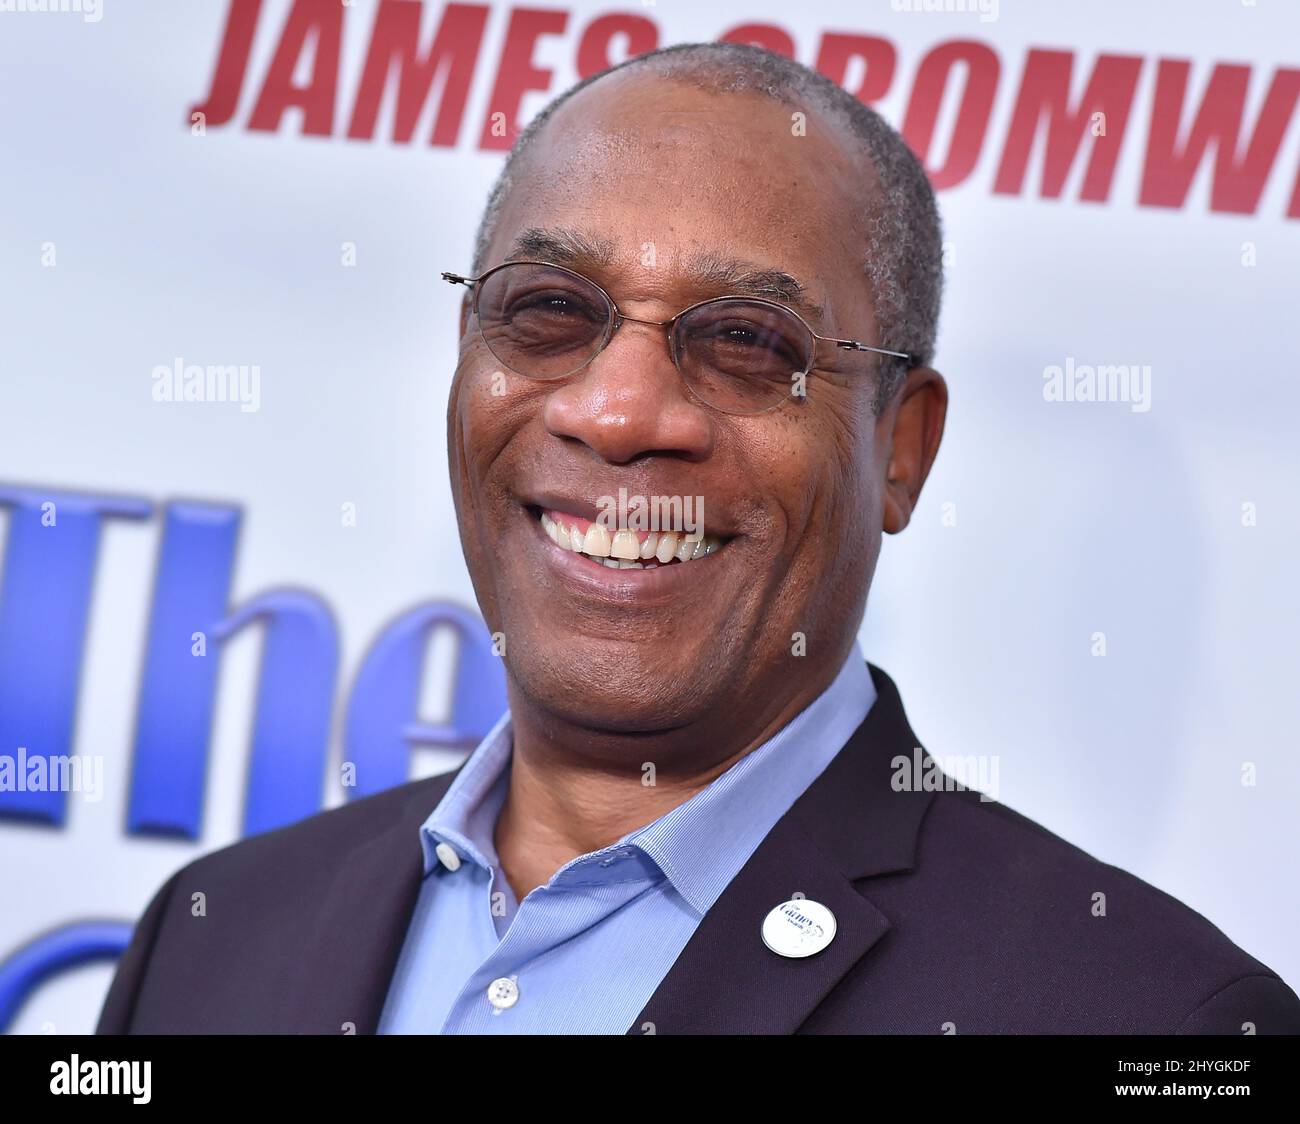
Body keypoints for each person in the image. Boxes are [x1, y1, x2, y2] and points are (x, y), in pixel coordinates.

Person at [97, 41, 1300, 1035]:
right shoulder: (212, 938)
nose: (617, 411)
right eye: (551, 311)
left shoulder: (1152, 1019)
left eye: (747, 343)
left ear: (901, 449)